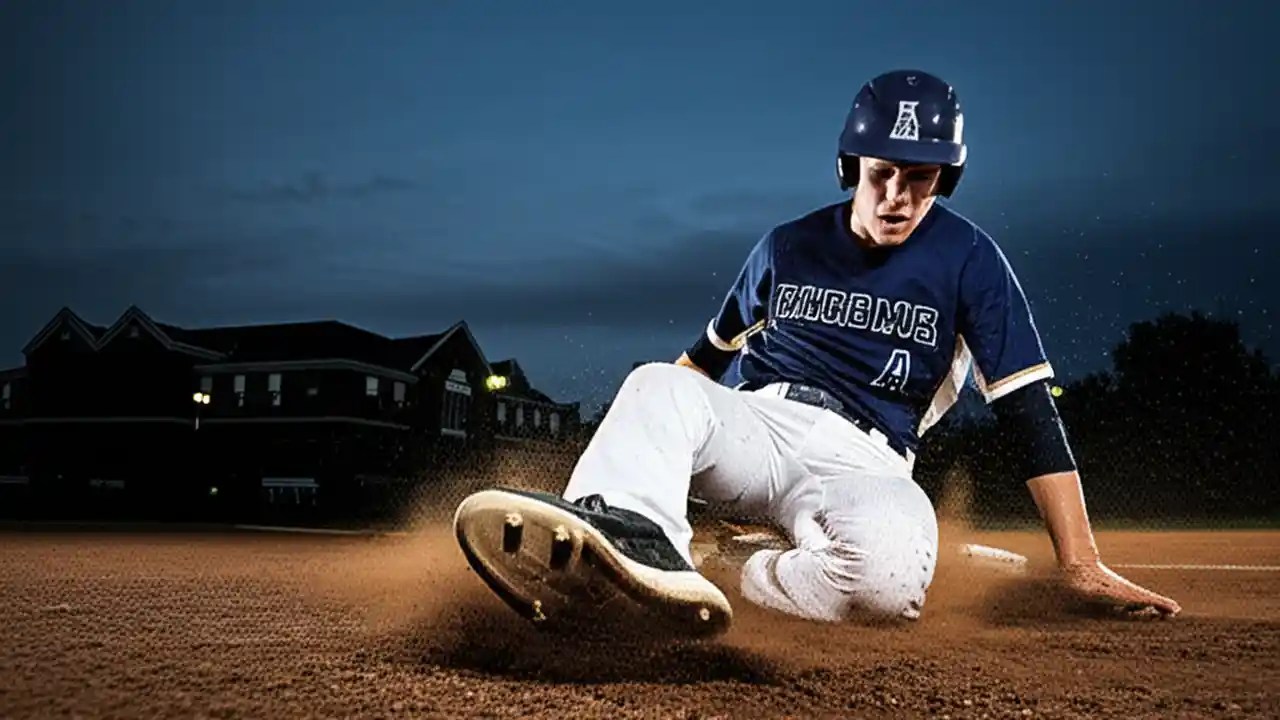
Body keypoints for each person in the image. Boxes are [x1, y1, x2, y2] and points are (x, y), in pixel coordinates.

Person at [452, 69, 1180, 638]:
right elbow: (697, 367)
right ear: (849, 164)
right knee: (651, 384)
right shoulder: (786, 244)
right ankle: (624, 547)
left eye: (918, 176)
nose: (896, 194)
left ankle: (717, 571)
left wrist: (1079, 563)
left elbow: (1025, 408)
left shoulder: (972, 260)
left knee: (887, 586)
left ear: (945, 177)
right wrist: (644, 454)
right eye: (880, 173)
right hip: (757, 426)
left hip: (867, 459)